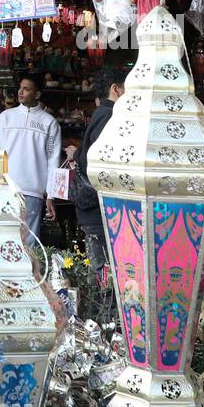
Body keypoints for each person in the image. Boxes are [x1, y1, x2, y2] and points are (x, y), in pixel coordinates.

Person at [0, 73, 61, 244]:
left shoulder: (49, 123)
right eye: (20, 88)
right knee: (0, 240)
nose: (20, 92)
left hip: (33, 192)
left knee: (28, 244)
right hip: (4, 189)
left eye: (26, 89)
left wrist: (51, 195)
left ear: (37, 94)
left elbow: (53, 161)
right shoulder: (5, 117)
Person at [76, 67, 124, 266]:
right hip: (98, 208)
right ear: (116, 89)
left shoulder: (102, 113)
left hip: (95, 209)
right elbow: (97, 161)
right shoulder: (109, 116)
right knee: (104, 273)